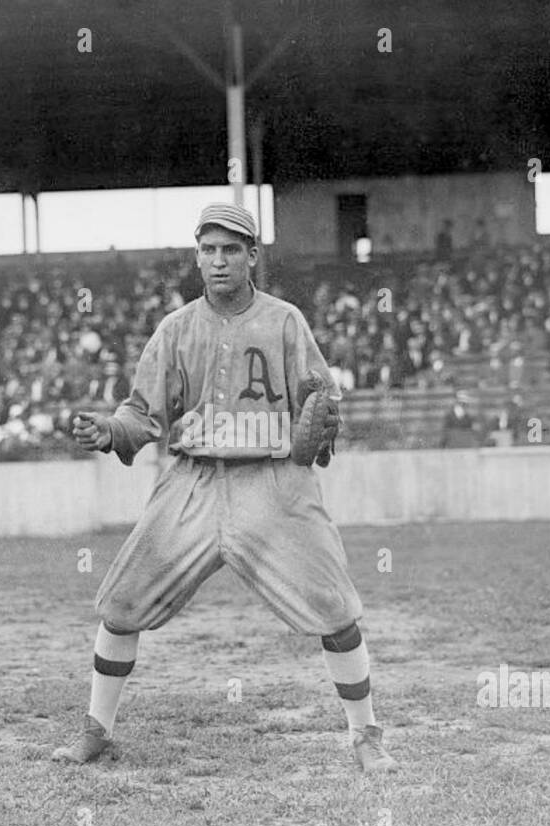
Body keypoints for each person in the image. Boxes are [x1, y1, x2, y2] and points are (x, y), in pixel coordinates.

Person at [56, 202, 397, 774]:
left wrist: (320, 426)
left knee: (336, 610)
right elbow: (142, 413)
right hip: (192, 481)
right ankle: (97, 730)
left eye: (231, 250)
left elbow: (322, 402)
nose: (218, 261)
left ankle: (365, 736)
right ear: (197, 257)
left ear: (252, 257)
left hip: (273, 481)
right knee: (120, 605)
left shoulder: (286, 321)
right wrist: (111, 429)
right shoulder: (175, 329)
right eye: (208, 250)